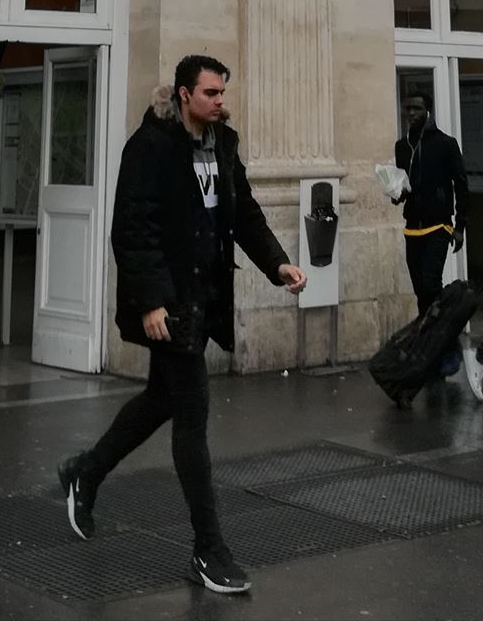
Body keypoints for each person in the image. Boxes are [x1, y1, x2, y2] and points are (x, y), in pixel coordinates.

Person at [57, 55, 306, 597]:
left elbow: (244, 214)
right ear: (184, 94)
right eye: (211, 92)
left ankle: (87, 471)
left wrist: (277, 263)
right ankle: (208, 548)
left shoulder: (225, 144)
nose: (220, 100)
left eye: (223, 92)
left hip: (204, 296)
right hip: (168, 301)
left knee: (160, 401)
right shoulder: (150, 147)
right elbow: (133, 227)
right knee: (192, 414)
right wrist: (150, 301)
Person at [392, 91, 470, 321]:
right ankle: (427, 334)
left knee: (430, 283)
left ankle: (441, 335)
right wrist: (396, 193)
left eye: (416, 108)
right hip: (412, 225)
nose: (411, 113)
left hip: (439, 225)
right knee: (419, 288)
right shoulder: (402, 146)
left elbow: (461, 184)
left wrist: (460, 226)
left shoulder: (445, 143)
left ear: (428, 111)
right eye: (408, 108)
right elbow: (403, 184)